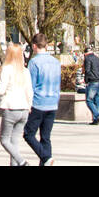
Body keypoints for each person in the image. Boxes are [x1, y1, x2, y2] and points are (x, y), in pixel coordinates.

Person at [23, 33, 61, 166]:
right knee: (46, 137)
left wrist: (28, 103)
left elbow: (30, 85)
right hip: (52, 102)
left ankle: (45, 158)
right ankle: (46, 161)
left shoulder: (34, 62)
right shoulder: (56, 62)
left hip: (39, 103)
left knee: (28, 134)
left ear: (34, 46)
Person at [0, 42, 33, 166]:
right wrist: (29, 105)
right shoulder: (25, 71)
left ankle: (21, 161)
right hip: (24, 109)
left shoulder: (7, 69)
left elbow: (1, 90)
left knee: (4, 140)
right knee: (14, 141)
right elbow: (29, 91)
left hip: (11, 108)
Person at [82, 45, 99, 125]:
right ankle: (96, 119)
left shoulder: (87, 58)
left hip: (93, 81)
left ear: (85, 53)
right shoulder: (97, 58)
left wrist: (86, 80)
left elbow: (87, 70)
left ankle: (97, 116)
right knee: (97, 101)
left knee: (89, 100)